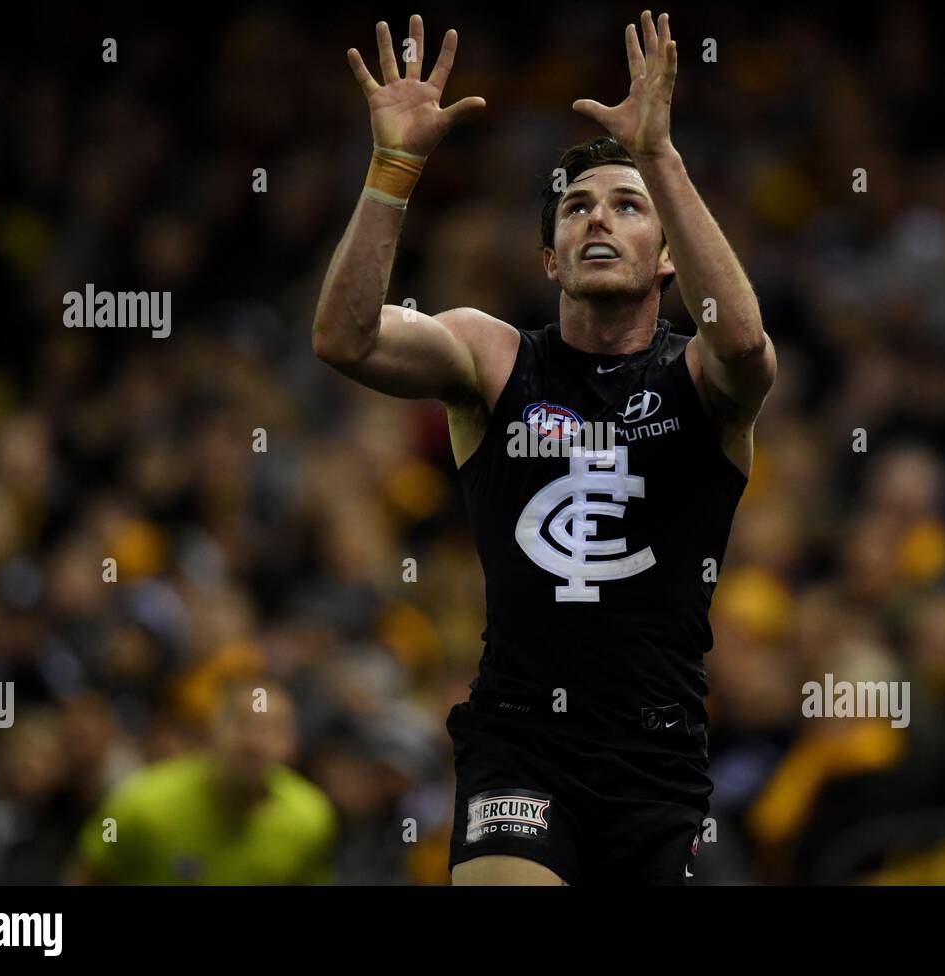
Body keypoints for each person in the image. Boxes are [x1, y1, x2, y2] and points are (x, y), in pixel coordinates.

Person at [314, 11, 774, 884]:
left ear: (665, 256)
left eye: (626, 207)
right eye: (576, 209)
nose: (598, 220)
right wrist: (394, 168)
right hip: (520, 744)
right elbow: (346, 339)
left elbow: (748, 346)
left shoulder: (704, 380)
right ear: (551, 259)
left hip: (657, 756)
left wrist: (662, 160)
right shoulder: (493, 357)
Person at [71, 680, 335, 883]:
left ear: (292, 745)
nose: (255, 744)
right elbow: (92, 873)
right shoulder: (142, 802)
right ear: (212, 731)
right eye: (243, 724)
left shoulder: (311, 820)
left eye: (273, 730)